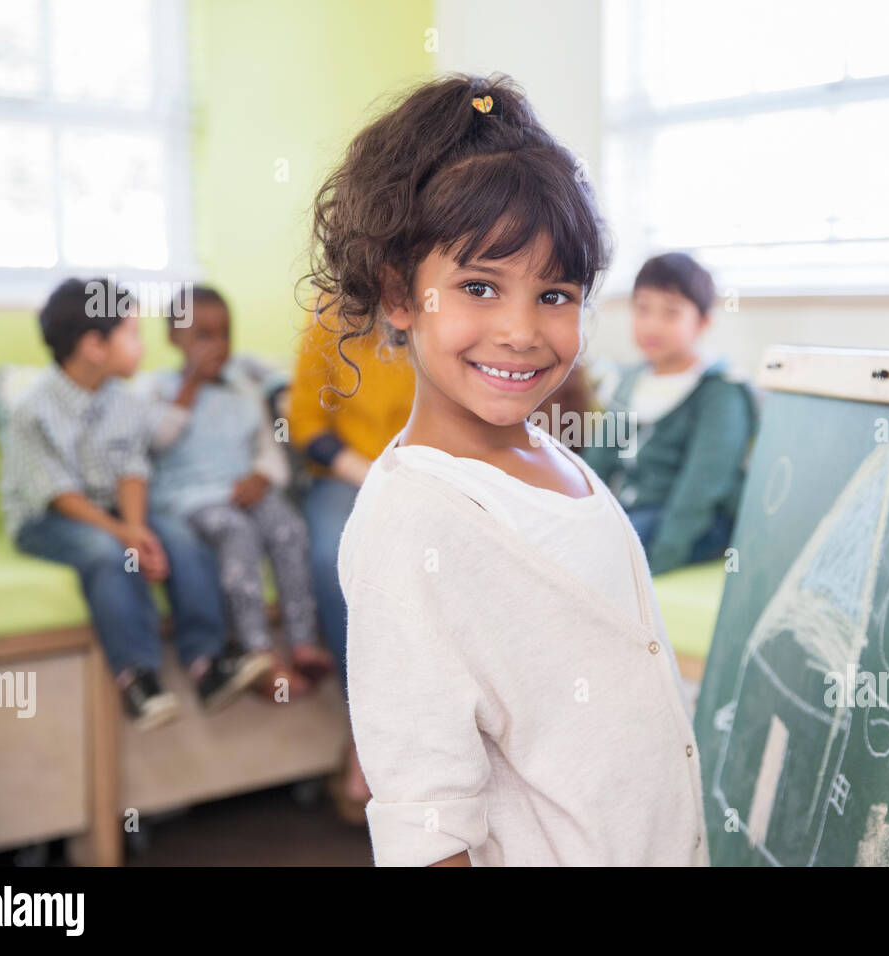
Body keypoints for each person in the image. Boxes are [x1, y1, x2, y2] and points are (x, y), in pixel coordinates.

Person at [303, 72, 710, 865]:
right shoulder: (409, 524)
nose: (522, 330)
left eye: (555, 294)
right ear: (399, 297)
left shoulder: (555, 459)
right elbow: (427, 829)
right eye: (479, 287)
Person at [0, 278, 270, 730]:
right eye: (132, 335)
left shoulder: (124, 401)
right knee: (106, 554)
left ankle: (207, 663)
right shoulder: (33, 408)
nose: (143, 348)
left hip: (109, 510)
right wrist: (124, 536)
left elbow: (132, 471)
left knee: (181, 537)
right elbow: (58, 493)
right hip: (49, 517)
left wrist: (138, 527)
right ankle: (137, 677)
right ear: (93, 346)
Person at [143, 285, 334, 701]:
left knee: (288, 527)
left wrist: (262, 478)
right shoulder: (157, 389)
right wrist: (190, 385)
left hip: (244, 490)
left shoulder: (242, 387)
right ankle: (259, 655)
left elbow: (270, 450)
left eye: (225, 333)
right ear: (175, 339)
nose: (218, 345)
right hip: (191, 498)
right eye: (203, 336)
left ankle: (302, 642)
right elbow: (158, 439)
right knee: (238, 534)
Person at [287, 302, 414, 819]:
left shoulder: (436, 314)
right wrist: (370, 475)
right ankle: (365, 731)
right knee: (332, 557)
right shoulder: (328, 320)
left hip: (424, 470)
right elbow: (304, 423)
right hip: (346, 476)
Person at [581, 252, 760, 575]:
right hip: (634, 507)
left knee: (614, 548)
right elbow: (599, 459)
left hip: (692, 519)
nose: (652, 324)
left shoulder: (720, 389)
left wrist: (661, 556)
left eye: (671, 313)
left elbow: (703, 486)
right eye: (643, 309)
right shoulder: (628, 381)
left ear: (703, 322)